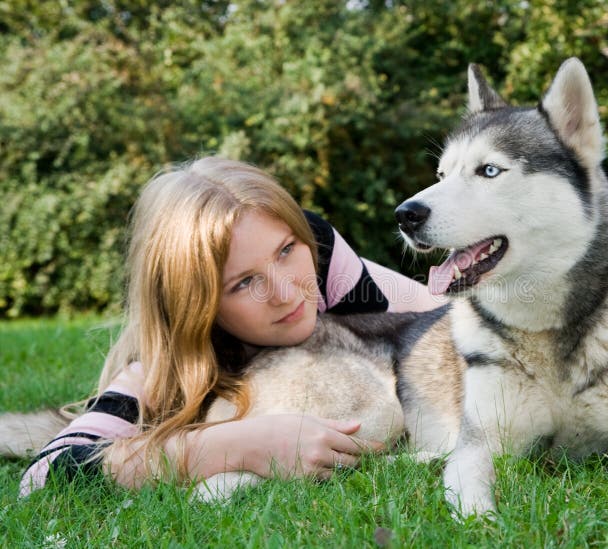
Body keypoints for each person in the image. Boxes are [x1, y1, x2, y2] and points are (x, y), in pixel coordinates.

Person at [20, 156, 443, 496]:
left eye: (285, 250)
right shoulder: (167, 360)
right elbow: (41, 477)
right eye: (243, 282)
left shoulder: (323, 257)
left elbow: (451, 319)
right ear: (198, 305)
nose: (286, 292)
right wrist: (233, 445)